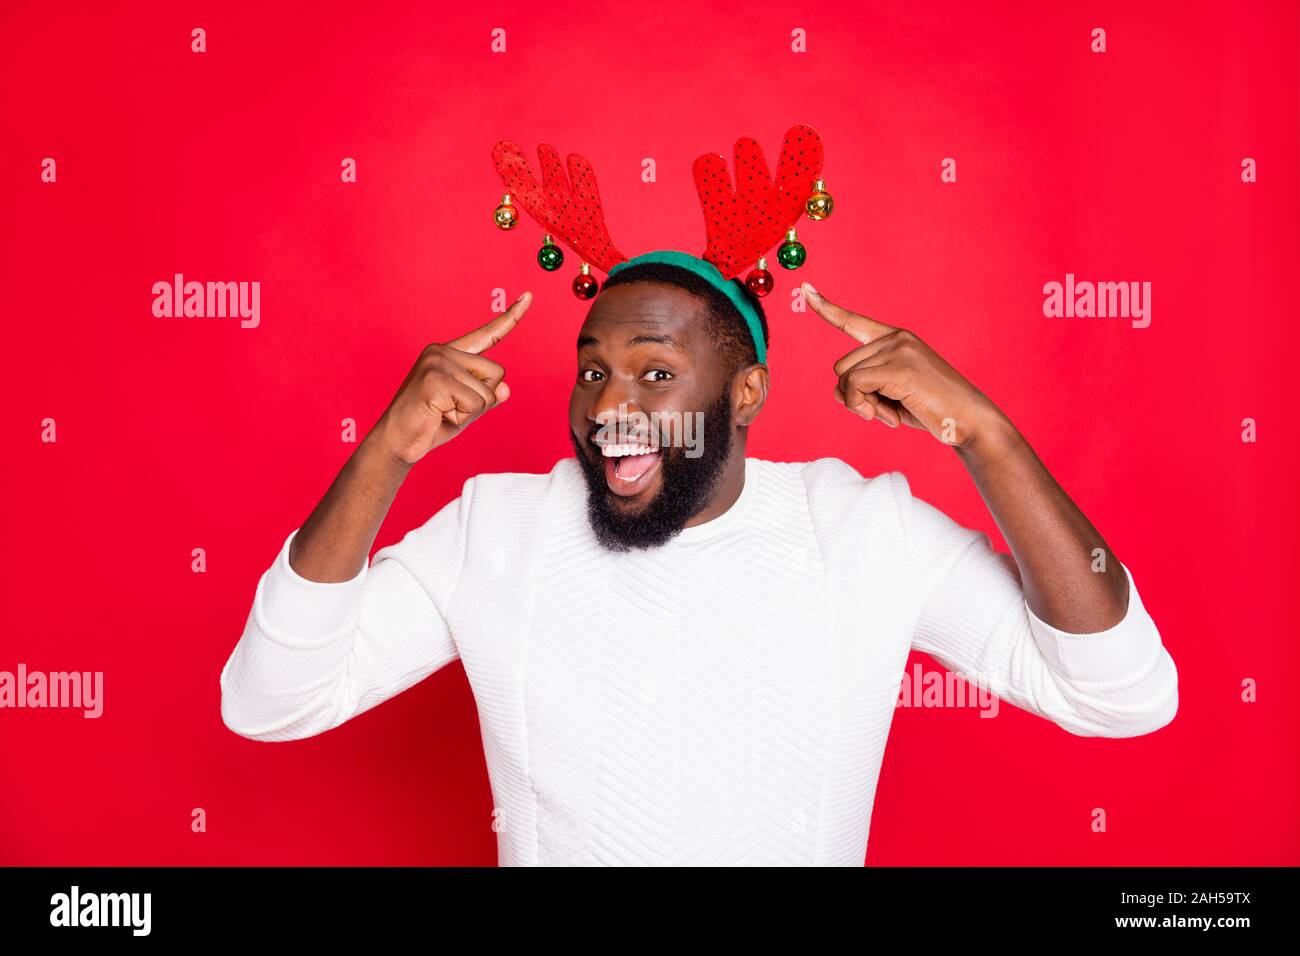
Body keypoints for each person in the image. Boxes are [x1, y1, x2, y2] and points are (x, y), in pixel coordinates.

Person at [218, 254, 1179, 866]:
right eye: (593, 369)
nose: (606, 405)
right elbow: (270, 701)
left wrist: (987, 438)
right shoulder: (496, 529)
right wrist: (384, 453)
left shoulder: (858, 530)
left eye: (656, 370)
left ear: (747, 390)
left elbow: (1121, 694)